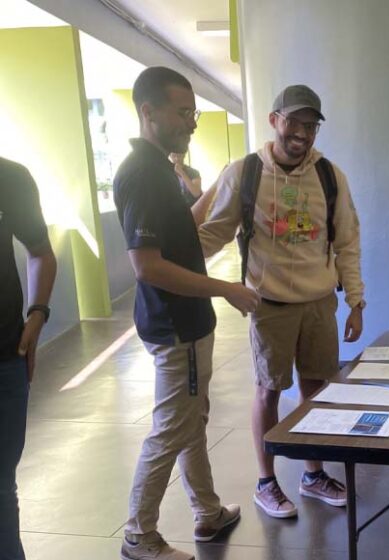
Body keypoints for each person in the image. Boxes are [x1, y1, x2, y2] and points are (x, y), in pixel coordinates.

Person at [198, 84, 365, 519]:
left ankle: (312, 474)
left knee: (317, 389)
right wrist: (165, 256)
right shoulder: (246, 173)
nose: (302, 133)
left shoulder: (330, 176)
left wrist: (357, 303)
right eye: (293, 122)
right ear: (274, 120)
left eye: (311, 125)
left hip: (319, 302)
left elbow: (347, 242)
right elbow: (214, 233)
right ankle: (266, 482)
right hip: (269, 303)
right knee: (268, 390)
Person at [114, 66, 260, 560]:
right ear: (148, 111)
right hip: (176, 327)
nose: (191, 122)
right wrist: (227, 288)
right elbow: (148, 266)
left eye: (193, 112)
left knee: (191, 420)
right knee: (172, 426)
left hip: (186, 325)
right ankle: (139, 534)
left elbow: (180, 231)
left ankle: (208, 511)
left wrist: (217, 189)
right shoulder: (141, 175)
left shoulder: (160, 169)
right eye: (182, 112)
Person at [0, 157, 56, 560]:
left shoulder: (11, 177)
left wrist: (38, 314)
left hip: (5, 359)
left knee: (1, 485)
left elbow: (41, 252)